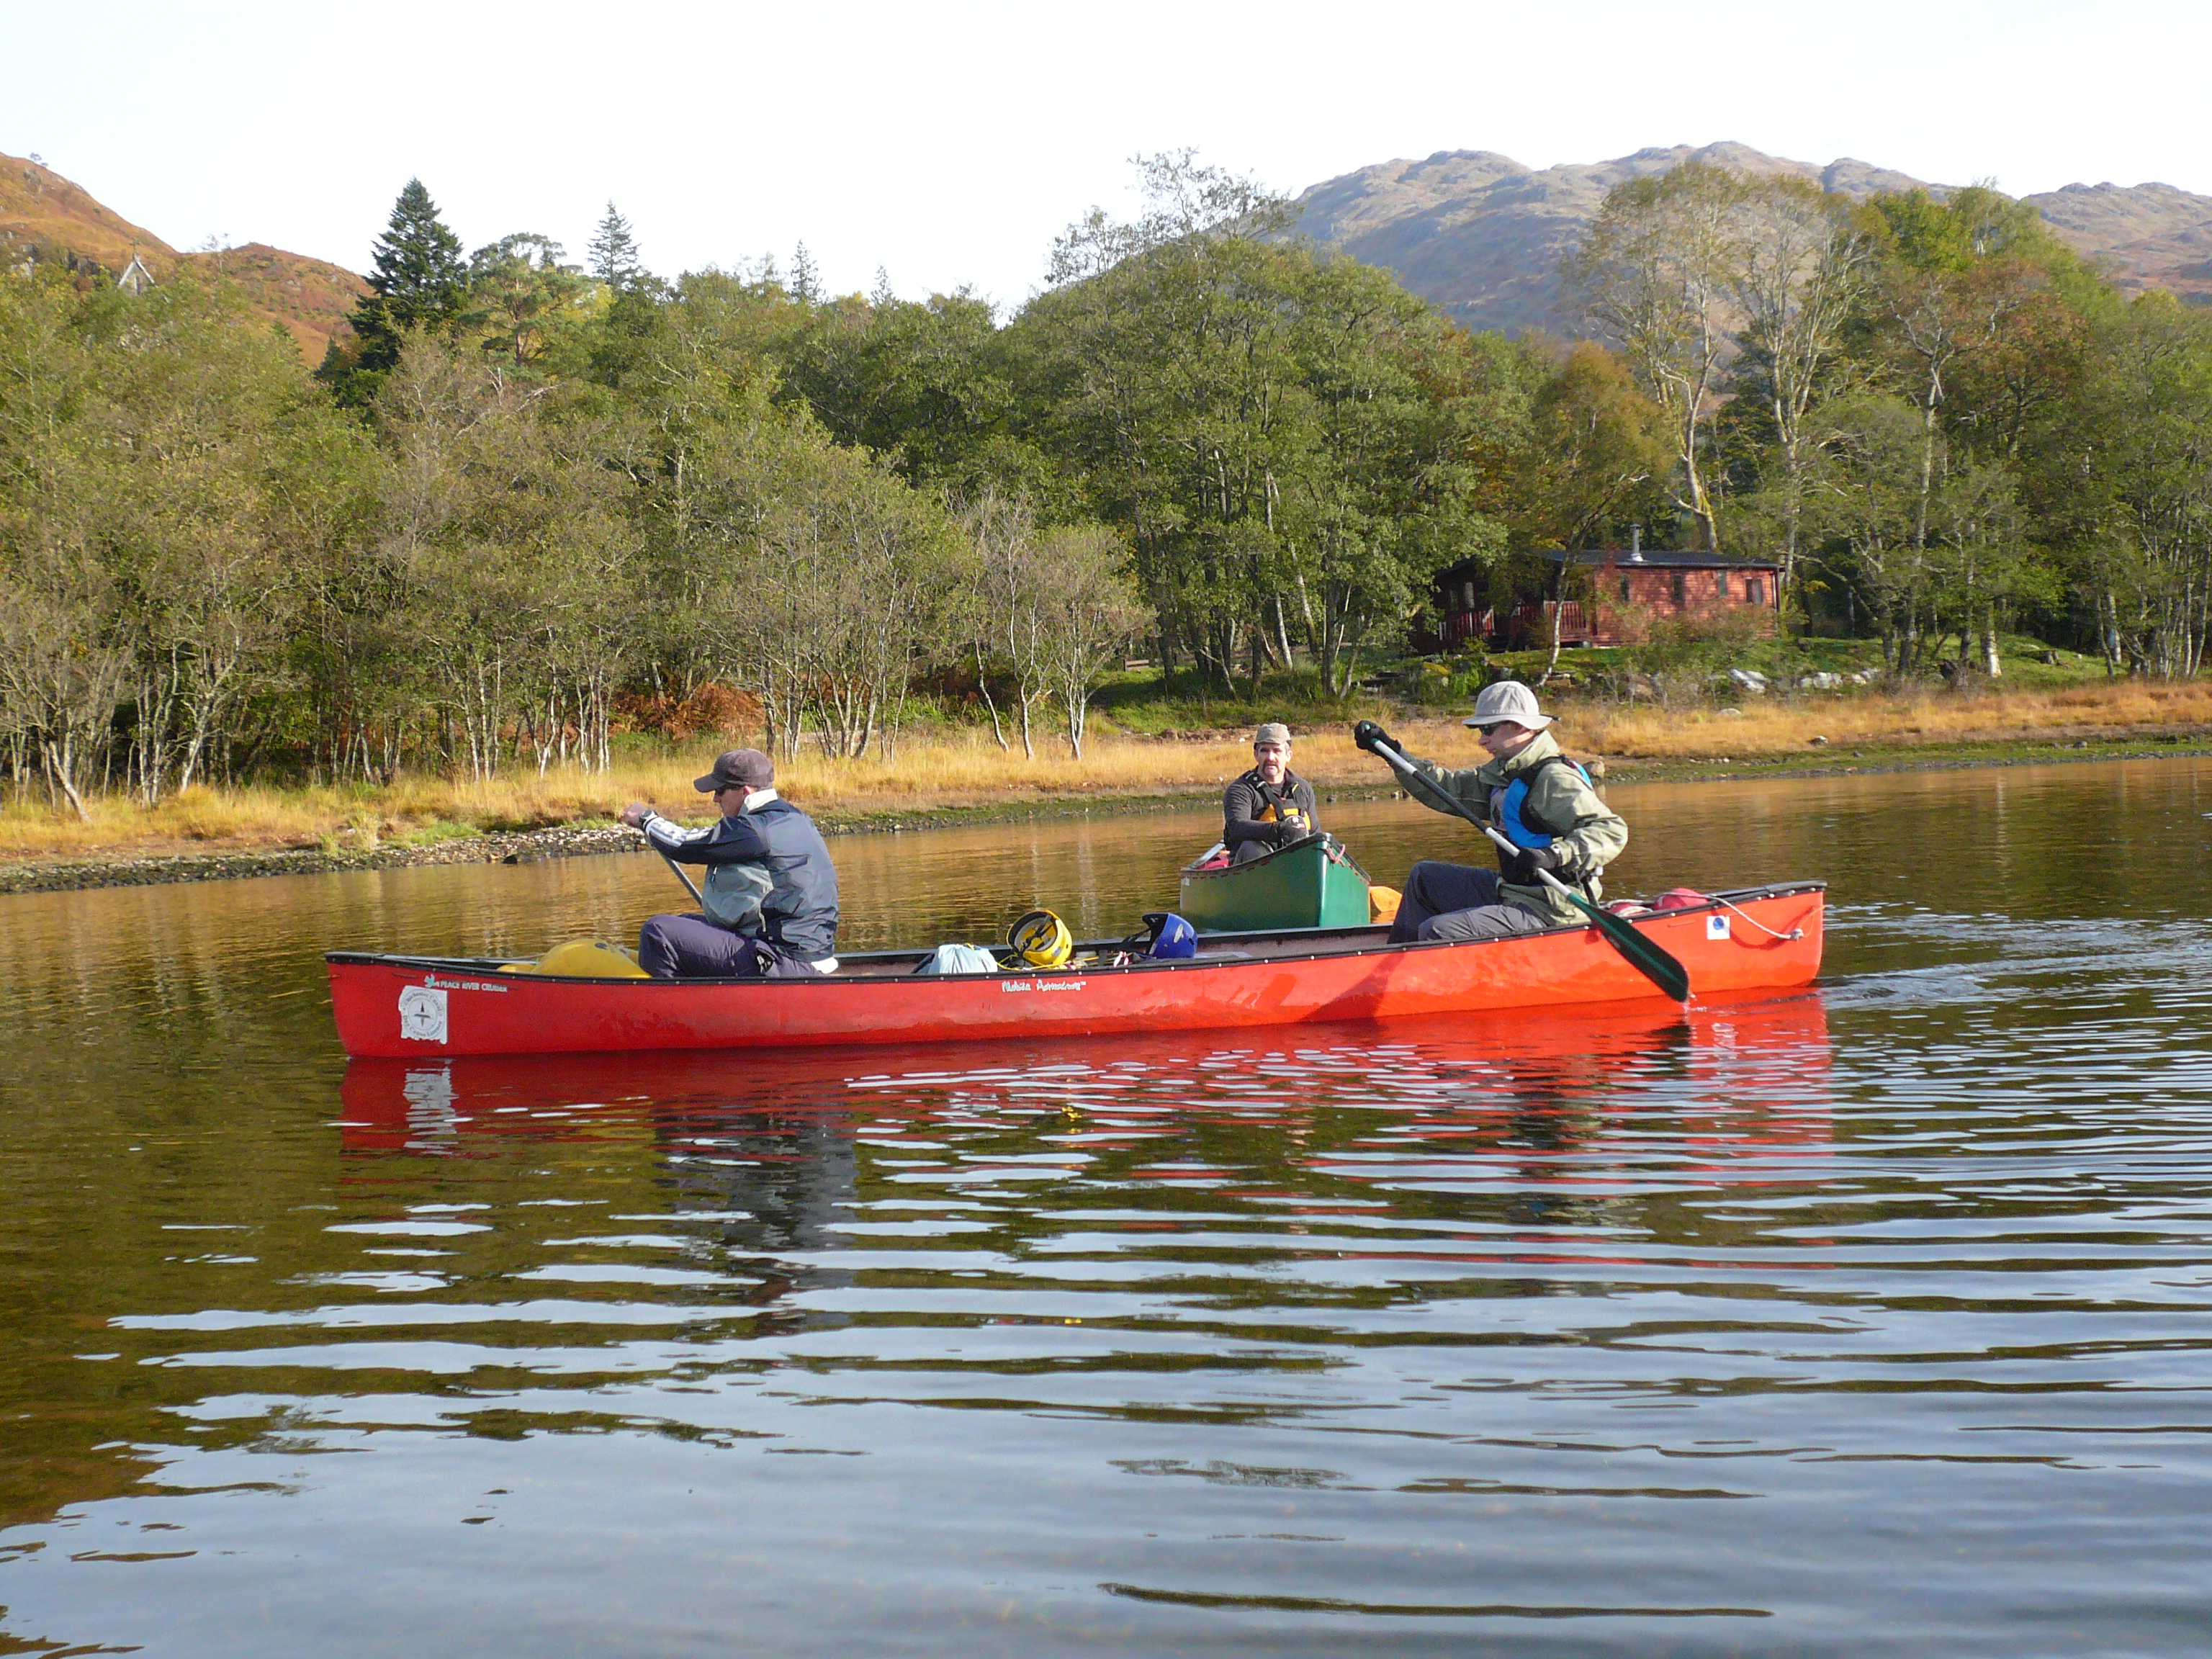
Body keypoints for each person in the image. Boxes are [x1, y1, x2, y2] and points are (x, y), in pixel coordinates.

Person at [1352, 680, 1626, 944]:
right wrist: (1391, 751)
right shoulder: (1504, 775)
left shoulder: (1553, 779)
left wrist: (1554, 855)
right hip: (1512, 891)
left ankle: (1426, 980)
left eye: (1488, 729)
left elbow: (1611, 831)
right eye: (1479, 731)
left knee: (1438, 931)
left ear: (1518, 726)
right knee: (1425, 878)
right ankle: (1394, 965)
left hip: (1554, 909)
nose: (1482, 740)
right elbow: (1447, 789)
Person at [620, 748, 840, 979]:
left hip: (784, 960)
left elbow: (684, 845)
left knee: (658, 932)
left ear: (745, 791)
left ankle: (669, 1010)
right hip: (806, 954)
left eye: (720, 790)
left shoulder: (756, 829)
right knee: (683, 923)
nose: (715, 798)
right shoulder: (794, 818)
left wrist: (647, 819)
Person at [1223, 722, 1320, 866]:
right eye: (1264, 751)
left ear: (1288, 755)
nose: (1270, 757)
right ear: (1256, 754)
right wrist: (1280, 830)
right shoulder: (1241, 790)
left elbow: (1316, 832)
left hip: (1298, 864)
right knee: (1251, 847)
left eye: (1277, 751)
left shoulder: (1303, 788)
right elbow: (1237, 828)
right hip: (1254, 864)